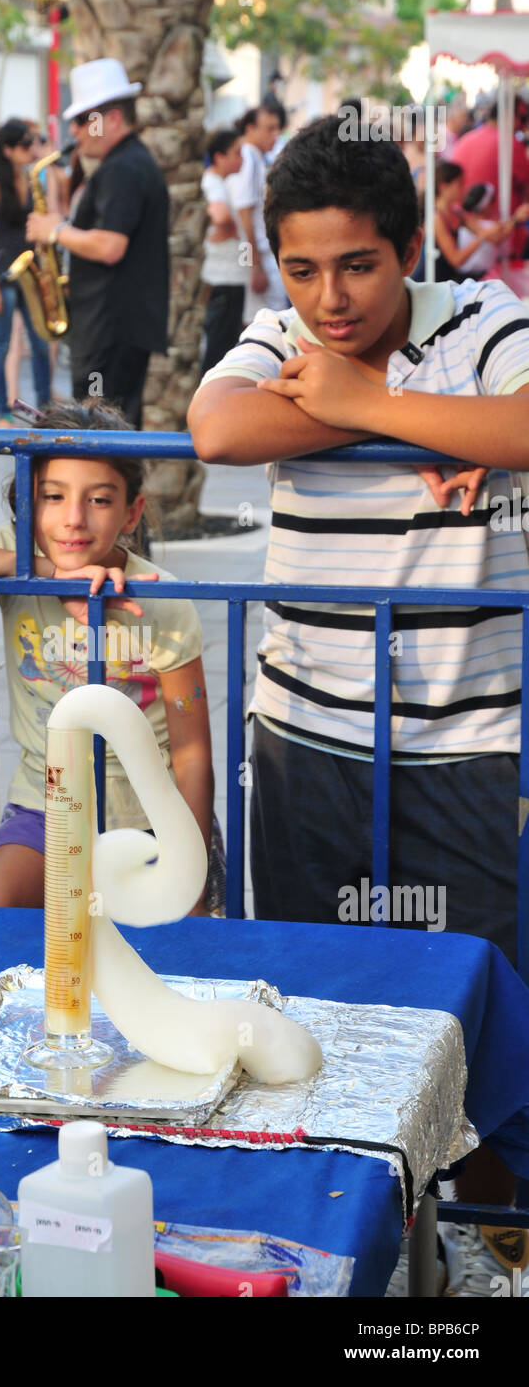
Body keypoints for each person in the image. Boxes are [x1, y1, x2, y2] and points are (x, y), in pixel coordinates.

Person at [188, 112, 529, 1286]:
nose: (327, 298)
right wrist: (398, 409)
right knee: (313, 1004)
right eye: (302, 266)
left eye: (358, 265)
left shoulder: (482, 323)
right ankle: (350, 1243)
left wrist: (359, 399)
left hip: (465, 751)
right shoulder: (272, 334)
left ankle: (480, 1243)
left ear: (409, 246)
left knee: (476, 1005)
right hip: (305, 740)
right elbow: (217, 424)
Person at [0, 398, 225, 915]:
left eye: (99, 500)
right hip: (45, 810)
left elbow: (191, 753)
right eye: (52, 496)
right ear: (29, 502)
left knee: (167, 962)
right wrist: (41, 574)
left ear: (131, 512)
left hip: (149, 820)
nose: (73, 519)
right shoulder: (15, 559)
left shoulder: (160, 598)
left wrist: (190, 870)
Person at [25, 58, 169, 428]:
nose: (74, 130)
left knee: (98, 434)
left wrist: (55, 230)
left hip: (110, 330)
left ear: (113, 119)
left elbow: (110, 246)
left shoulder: (122, 168)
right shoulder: (128, 162)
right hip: (113, 328)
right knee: (105, 432)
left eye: (82, 120)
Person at [0, 119, 51, 425]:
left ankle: (46, 407)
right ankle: (2, 411)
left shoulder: (31, 179)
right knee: (2, 343)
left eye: (33, 142)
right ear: (7, 150)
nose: (31, 149)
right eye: (24, 144)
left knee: (42, 342)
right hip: (4, 274)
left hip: (30, 272)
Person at [230, 105, 286, 320]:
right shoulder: (247, 158)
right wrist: (253, 267)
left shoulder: (256, 157)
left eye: (277, 128)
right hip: (258, 256)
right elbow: (243, 215)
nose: (275, 134)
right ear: (250, 128)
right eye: (269, 128)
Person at [200, 128, 247, 377]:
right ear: (219, 157)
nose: (242, 159)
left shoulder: (217, 183)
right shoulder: (213, 183)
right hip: (224, 279)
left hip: (227, 278)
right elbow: (220, 215)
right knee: (219, 352)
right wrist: (228, 229)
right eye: (237, 153)